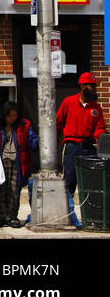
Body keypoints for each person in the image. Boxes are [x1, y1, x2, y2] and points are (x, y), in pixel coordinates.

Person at [55, 72, 107, 229]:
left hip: (88, 147)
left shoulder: (96, 108)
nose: (94, 89)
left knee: (91, 184)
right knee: (69, 182)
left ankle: (91, 218)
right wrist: (55, 143)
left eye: (95, 86)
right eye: (91, 86)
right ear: (83, 87)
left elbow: (101, 127)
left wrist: (96, 137)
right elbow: (58, 123)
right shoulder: (68, 102)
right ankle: (68, 216)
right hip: (72, 147)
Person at [0, 101, 37, 228]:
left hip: (17, 161)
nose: (12, 118)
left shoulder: (24, 126)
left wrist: (37, 142)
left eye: (14, 115)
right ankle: (0, 217)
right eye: (10, 115)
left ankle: (12, 217)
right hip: (0, 161)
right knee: (0, 189)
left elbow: (31, 139)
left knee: (14, 190)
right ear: (4, 115)